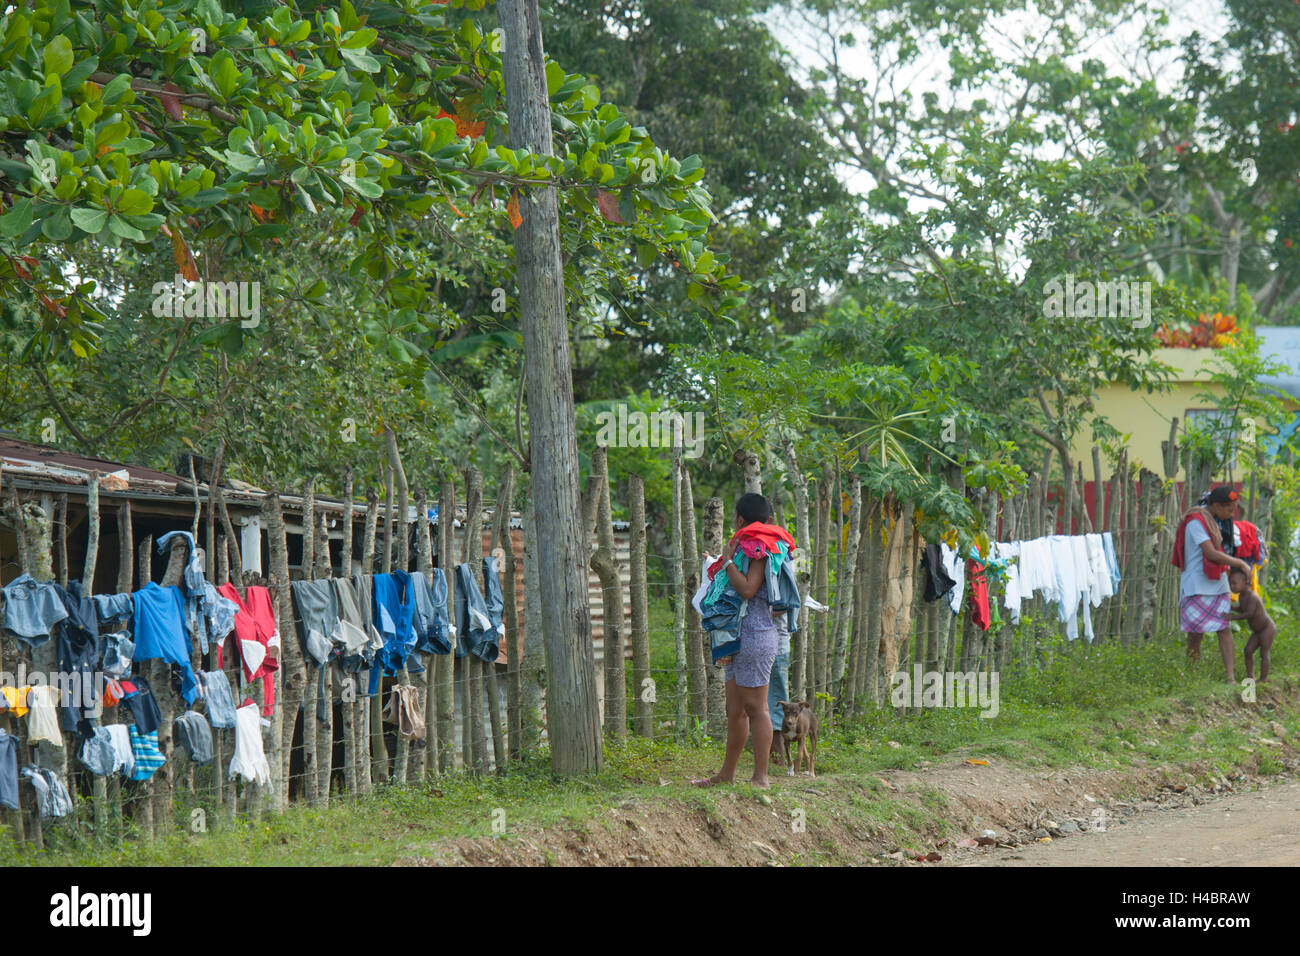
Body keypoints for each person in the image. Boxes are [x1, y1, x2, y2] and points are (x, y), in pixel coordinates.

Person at [695, 493, 791, 789]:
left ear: (739, 519)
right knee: (735, 709)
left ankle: (761, 777)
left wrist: (725, 562)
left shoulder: (759, 549)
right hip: (737, 636)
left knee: (756, 708)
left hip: (755, 635)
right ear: (768, 519)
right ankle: (726, 775)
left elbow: (748, 589)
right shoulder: (751, 546)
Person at [1171, 485, 1251, 682]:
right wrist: (1240, 563)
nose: (1231, 514)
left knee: (1224, 630)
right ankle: (1193, 679)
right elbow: (1211, 553)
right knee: (1195, 635)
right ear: (1216, 505)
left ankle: (1231, 678)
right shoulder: (1195, 523)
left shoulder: (1214, 521)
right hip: (1196, 586)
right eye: (1229, 509)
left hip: (1217, 584)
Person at [1228, 568, 1275, 682]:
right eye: (1230, 584)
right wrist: (1233, 608)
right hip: (1257, 631)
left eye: (1234, 583)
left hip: (1266, 628)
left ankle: (1262, 679)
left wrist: (1232, 617)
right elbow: (1243, 609)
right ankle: (1250, 676)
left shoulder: (1253, 596)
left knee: (1264, 653)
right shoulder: (1241, 596)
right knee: (1248, 651)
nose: (1232, 586)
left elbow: (1249, 613)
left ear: (1246, 582)